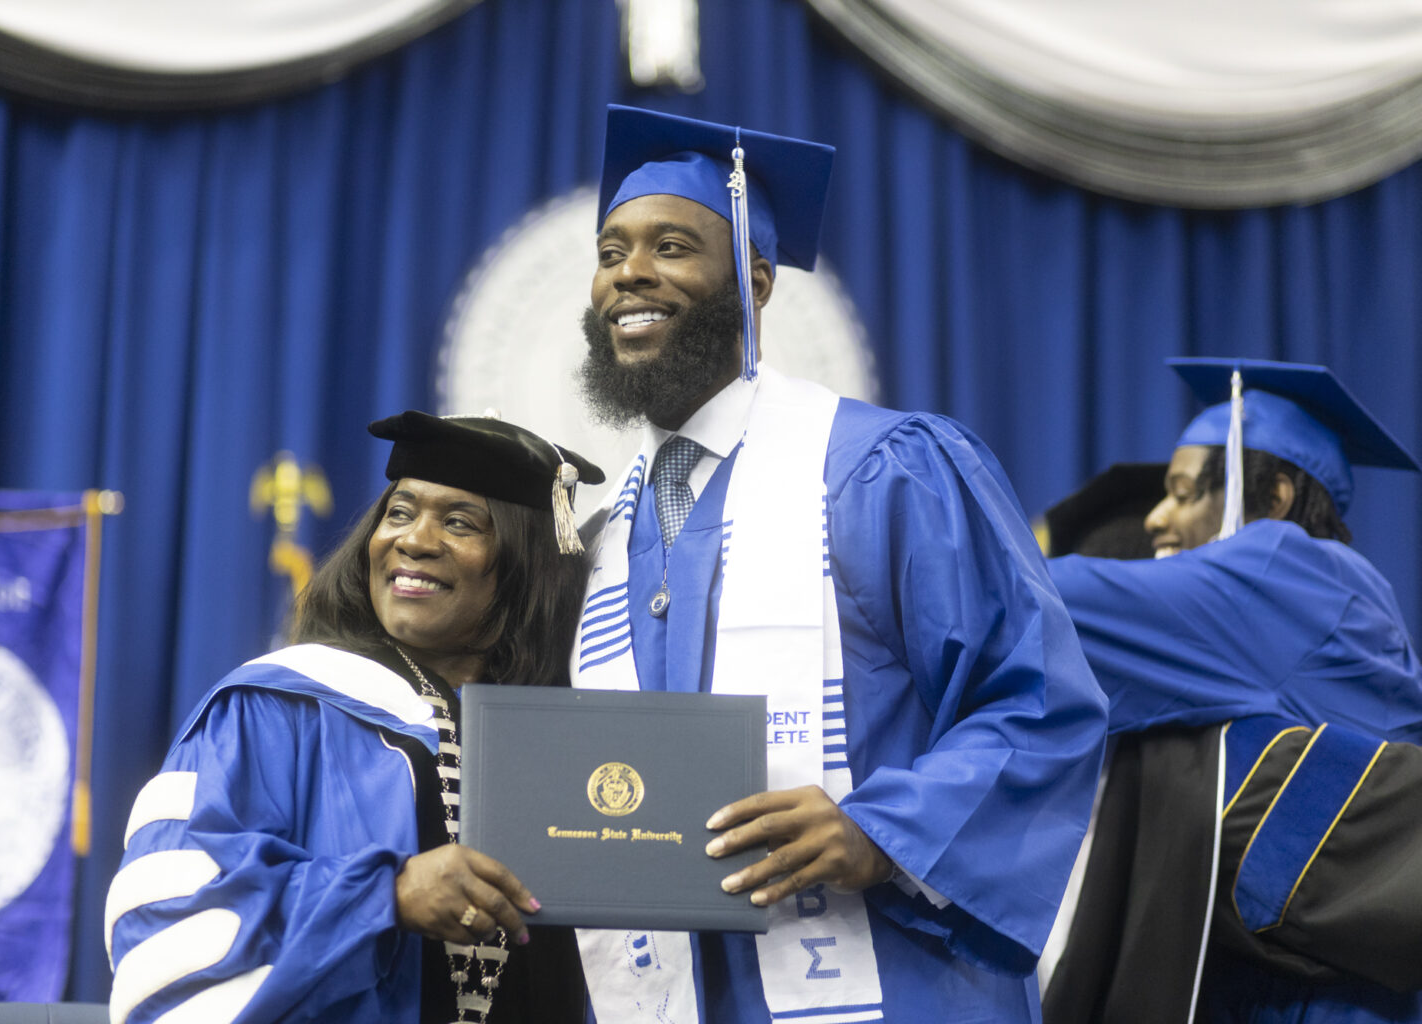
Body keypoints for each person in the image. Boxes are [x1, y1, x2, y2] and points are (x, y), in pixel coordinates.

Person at [570, 104, 1108, 1023]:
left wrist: (883, 833)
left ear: (757, 280)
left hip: (893, 980)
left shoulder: (883, 470)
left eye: (671, 247)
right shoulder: (611, 535)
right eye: (612, 251)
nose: (632, 275)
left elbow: (1041, 704)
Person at [105, 412, 603, 1024]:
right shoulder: (279, 707)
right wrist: (385, 896)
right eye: (400, 512)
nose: (414, 541)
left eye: (459, 522)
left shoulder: (568, 735)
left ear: (526, 565)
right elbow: (166, 915)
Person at [1043, 358, 1422, 1023]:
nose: (1158, 518)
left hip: (1309, 996)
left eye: (1186, 492)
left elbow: (1067, 602)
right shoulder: (1353, 592)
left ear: (1273, 499)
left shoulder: (1287, 570)